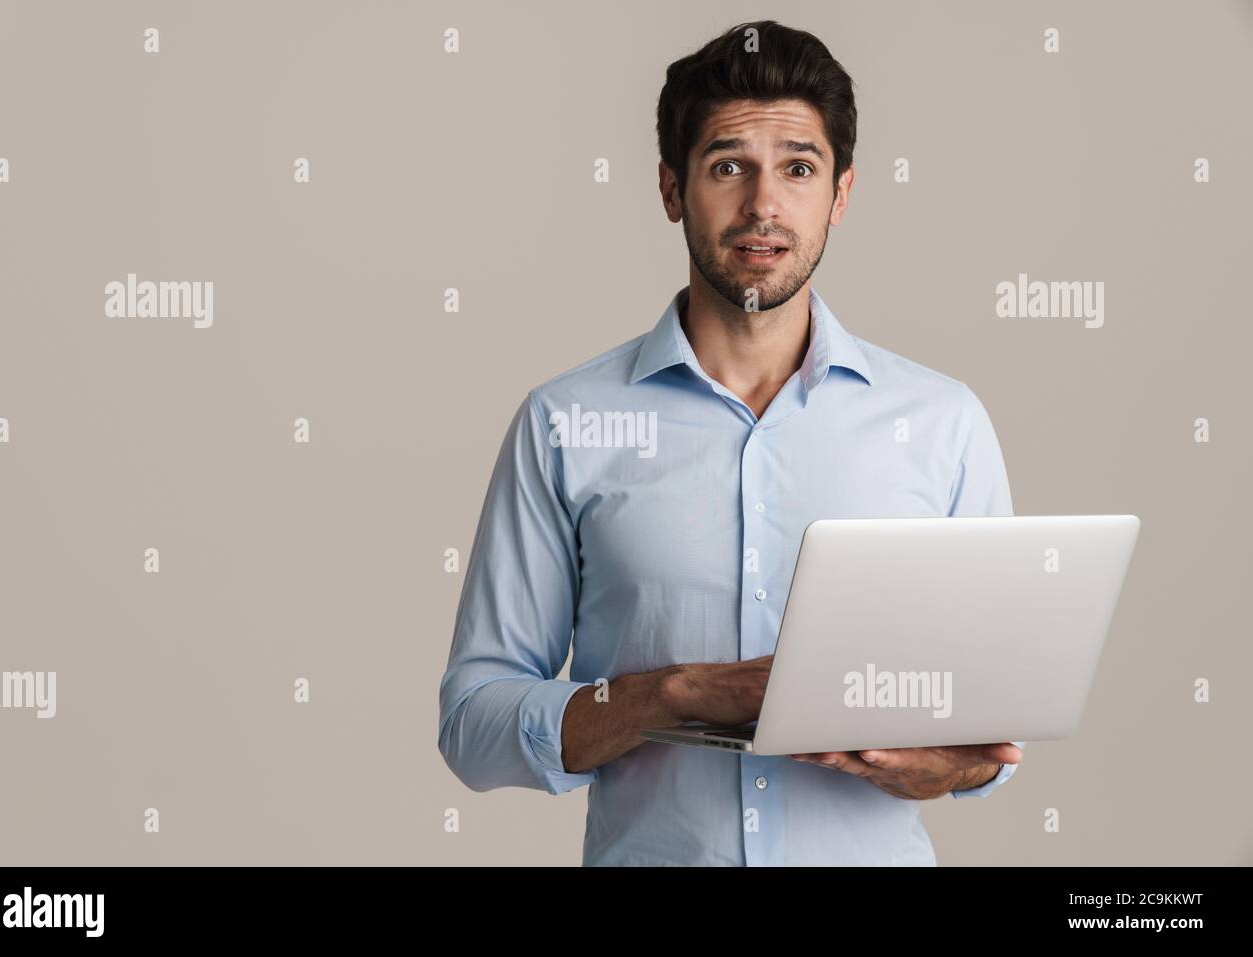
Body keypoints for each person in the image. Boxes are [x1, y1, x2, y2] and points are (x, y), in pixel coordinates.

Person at [438, 19, 1023, 866]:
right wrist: (669, 694)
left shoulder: (942, 423)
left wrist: (943, 767)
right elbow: (474, 721)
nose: (763, 205)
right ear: (673, 189)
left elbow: (993, 725)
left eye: (798, 167)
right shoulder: (565, 423)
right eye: (727, 167)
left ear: (842, 193)